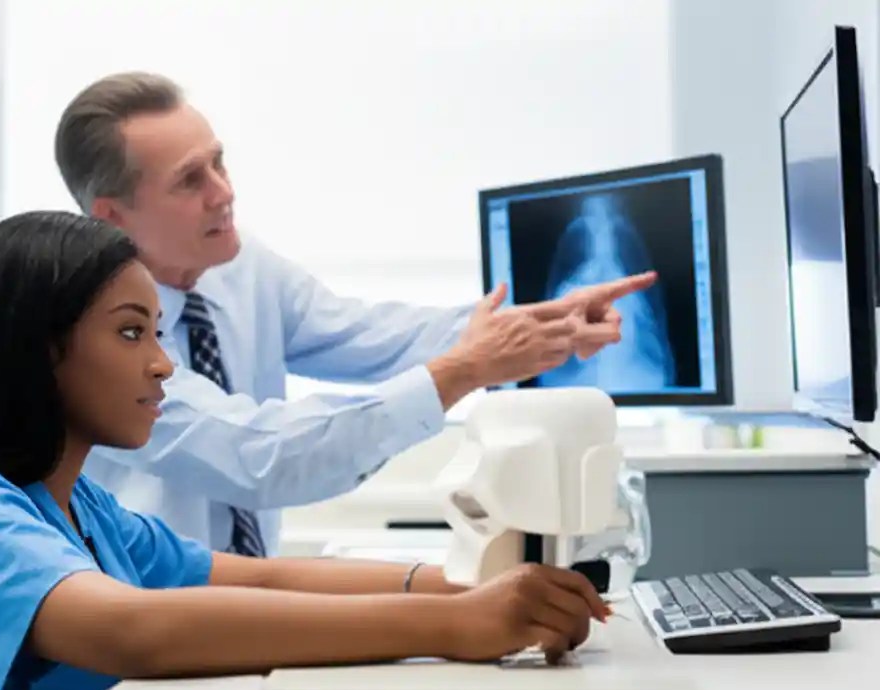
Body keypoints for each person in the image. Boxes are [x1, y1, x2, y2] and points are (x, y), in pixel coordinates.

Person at [0, 210, 610, 690]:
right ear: (38, 351)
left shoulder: (81, 510)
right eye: (133, 334)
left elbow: (261, 577)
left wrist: (468, 585)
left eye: (159, 334)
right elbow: (134, 631)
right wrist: (455, 623)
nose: (165, 366)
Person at [54, 71, 657, 555]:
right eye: (190, 180)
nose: (224, 191)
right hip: (144, 626)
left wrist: (535, 326)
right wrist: (464, 371)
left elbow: (372, 337)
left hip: (252, 596)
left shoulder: (243, 270)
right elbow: (263, 456)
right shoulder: (96, 342)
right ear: (112, 216)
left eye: (219, 162)